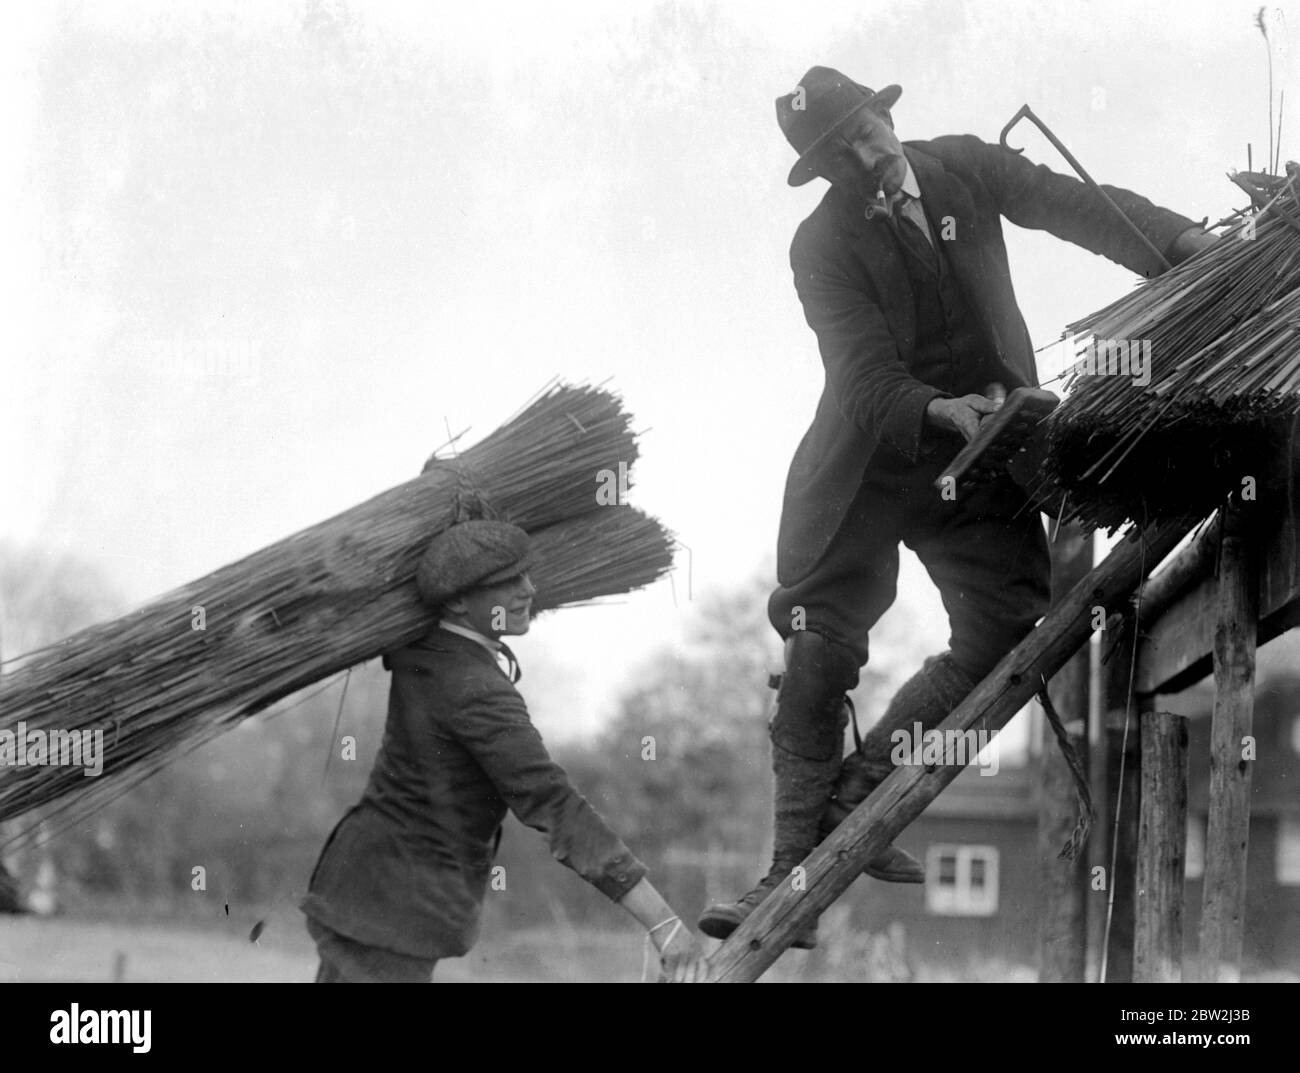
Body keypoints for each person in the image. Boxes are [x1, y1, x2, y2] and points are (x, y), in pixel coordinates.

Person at [699, 66, 1218, 946]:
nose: (868, 158)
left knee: (1005, 627)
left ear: (883, 114)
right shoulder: (818, 248)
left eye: (868, 132)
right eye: (842, 157)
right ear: (822, 171)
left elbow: (1076, 207)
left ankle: (862, 789)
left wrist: (1181, 244)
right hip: (869, 464)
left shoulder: (965, 169)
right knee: (822, 639)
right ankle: (786, 875)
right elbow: (861, 377)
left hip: (980, 461)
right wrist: (940, 407)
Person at [302, 518, 707, 981]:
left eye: (526, 575)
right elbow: (554, 804)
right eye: (506, 583)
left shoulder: (425, 650)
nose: (529, 590)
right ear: (455, 601)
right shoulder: (476, 689)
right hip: (390, 911)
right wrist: (664, 922)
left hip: (366, 892)